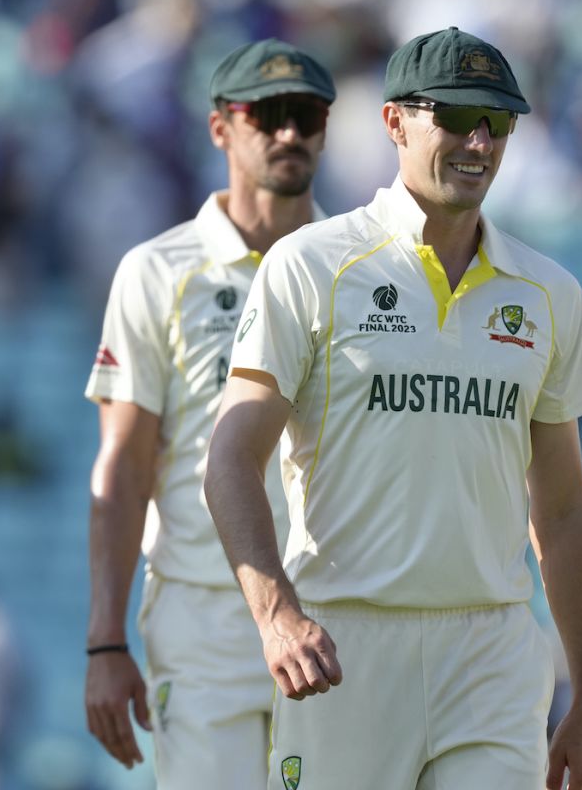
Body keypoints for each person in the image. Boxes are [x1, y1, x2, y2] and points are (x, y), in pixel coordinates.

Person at [204, 27, 582, 790]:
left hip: (491, 649)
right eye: (455, 118)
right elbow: (231, 455)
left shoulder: (549, 292)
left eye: (498, 122)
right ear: (394, 122)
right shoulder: (313, 263)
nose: (479, 141)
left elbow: (560, 509)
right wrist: (276, 615)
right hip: (345, 643)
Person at [83, 39, 335, 787]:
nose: (289, 132)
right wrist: (105, 643)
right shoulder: (158, 270)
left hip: (337, 615)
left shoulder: (359, 266)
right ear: (221, 126)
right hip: (203, 619)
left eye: (307, 114)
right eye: (268, 114)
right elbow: (124, 469)